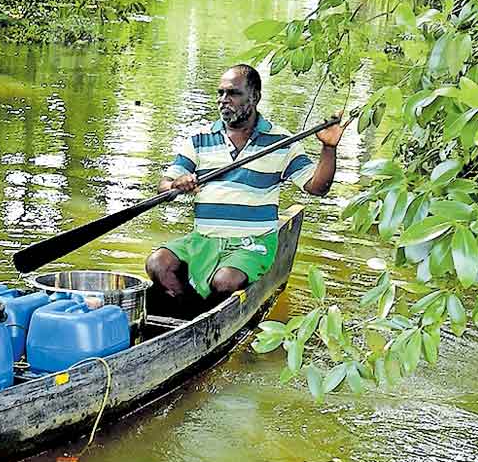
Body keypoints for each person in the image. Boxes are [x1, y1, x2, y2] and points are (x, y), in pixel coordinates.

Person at [145, 64, 347, 308]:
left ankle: (200, 314)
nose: (223, 100)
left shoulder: (281, 142)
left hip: (252, 243)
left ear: (255, 97)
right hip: (204, 240)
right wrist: (176, 184)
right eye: (220, 93)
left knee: (225, 280)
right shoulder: (199, 139)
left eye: (233, 93)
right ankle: (193, 310)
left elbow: (317, 187)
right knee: (158, 263)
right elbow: (163, 186)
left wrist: (329, 147)